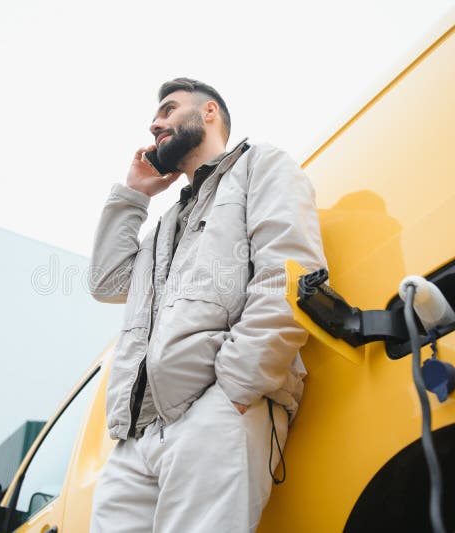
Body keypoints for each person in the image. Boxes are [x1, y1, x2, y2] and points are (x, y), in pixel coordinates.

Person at [87, 78, 326, 532]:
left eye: (169, 110)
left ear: (209, 112)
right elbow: (105, 281)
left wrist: (235, 390)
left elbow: (289, 275)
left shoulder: (261, 165)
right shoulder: (163, 228)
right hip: (134, 438)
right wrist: (135, 195)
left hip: (214, 412)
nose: (155, 123)